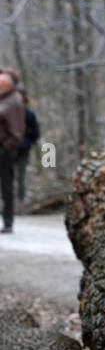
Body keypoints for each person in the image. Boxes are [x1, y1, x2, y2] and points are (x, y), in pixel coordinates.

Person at [0, 69, 26, 234]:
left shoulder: (13, 102)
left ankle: (8, 222)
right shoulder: (3, 100)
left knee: (7, 187)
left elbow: (17, 133)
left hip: (4, 152)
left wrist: (6, 149)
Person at [15, 92, 38, 204]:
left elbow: (35, 133)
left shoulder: (29, 115)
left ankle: (20, 200)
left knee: (21, 175)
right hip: (7, 150)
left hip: (23, 150)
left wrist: (27, 142)